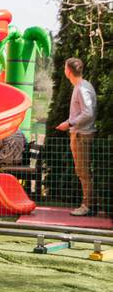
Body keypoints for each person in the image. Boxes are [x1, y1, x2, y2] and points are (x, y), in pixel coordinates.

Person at [55, 57, 97, 216]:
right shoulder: (83, 86)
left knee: (83, 171)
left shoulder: (81, 88)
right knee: (83, 171)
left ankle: (87, 206)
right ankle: (88, 204)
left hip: (81, 135)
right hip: (80, 133)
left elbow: (88, 113)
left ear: (68, 71)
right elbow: (82, 112)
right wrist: (67, 122)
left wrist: (70, 124)